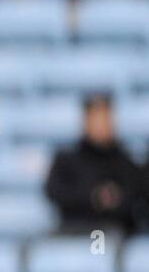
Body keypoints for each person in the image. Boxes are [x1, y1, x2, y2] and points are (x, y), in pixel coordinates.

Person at [45, 93, 149, 236]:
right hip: (75, 234)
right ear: (86, 121)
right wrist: (93, 197)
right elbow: (54, 192)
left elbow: (137, 196)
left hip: (117, 236)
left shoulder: (125, 162)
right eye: (96, 118)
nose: (101, 125)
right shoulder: (66, 160)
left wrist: (115, 198)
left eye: (105, 118)